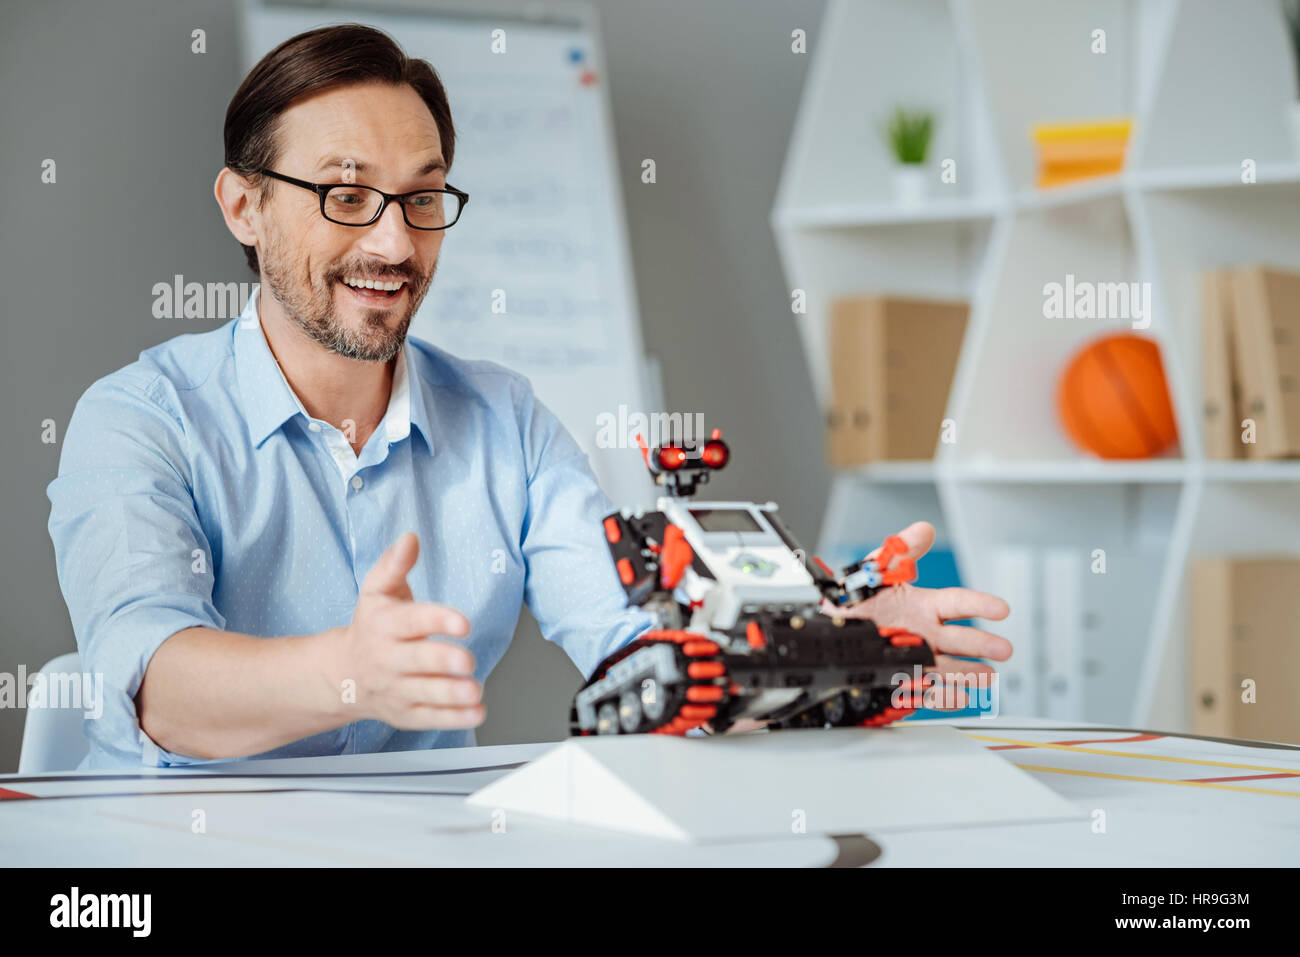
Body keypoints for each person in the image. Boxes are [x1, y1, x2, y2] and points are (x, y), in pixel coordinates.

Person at [46, 24, 1010, 769]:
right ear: (244, 206)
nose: (392, 245)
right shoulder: (139, 420)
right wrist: (350, 670)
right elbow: (152, 681)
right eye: (346, 195)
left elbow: (632, 634)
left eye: (424, 198)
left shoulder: (503, 419)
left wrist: (834, 638)